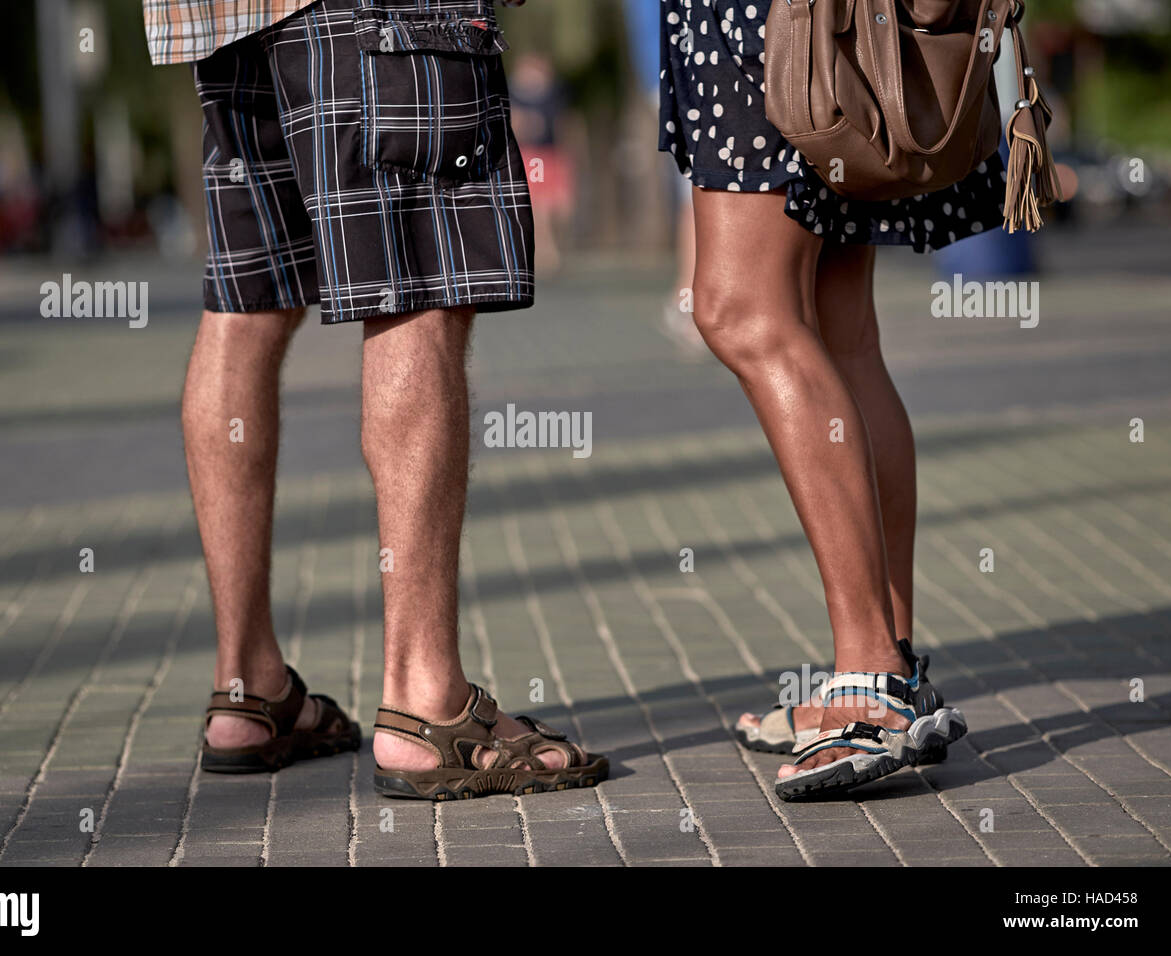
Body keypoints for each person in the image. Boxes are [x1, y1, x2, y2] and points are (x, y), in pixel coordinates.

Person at [144, 0, 608, 799]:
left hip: (219, 20)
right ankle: (425, 703)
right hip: (373, 14)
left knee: (244, 304)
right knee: (418, 287)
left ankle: (246, 688)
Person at [659, 1, 981, 800]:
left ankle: (870, 675)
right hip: (826, 23)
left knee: (740, 308)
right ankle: (890, 665)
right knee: (841, 333)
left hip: (762, 16)